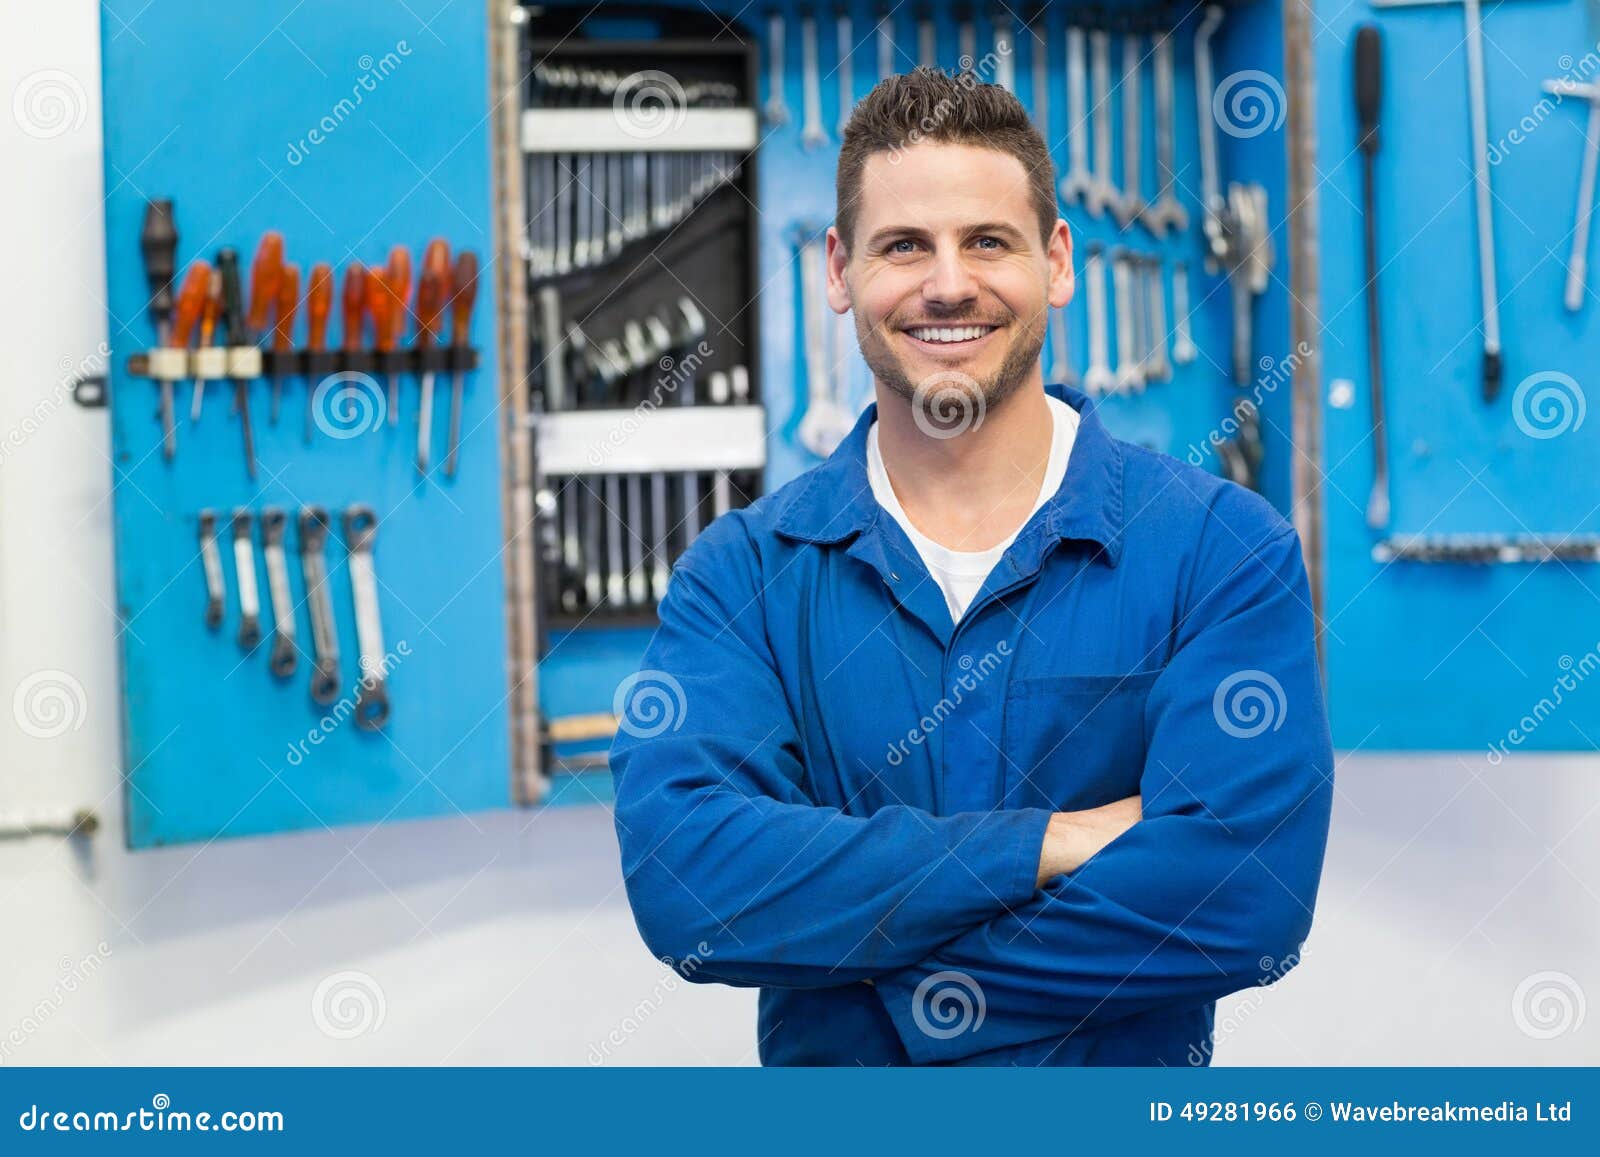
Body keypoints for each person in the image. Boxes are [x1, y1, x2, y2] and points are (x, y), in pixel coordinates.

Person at [609, 67, 1333, 1066]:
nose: (947, 283)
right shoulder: (742, 576)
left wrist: (889, 984)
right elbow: (687, 882)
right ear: (836, 269)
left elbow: (1245, 896)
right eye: (904, 245)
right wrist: (1052, 843)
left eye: (986, 241)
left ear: (1057, 259)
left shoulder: (1220, 549)